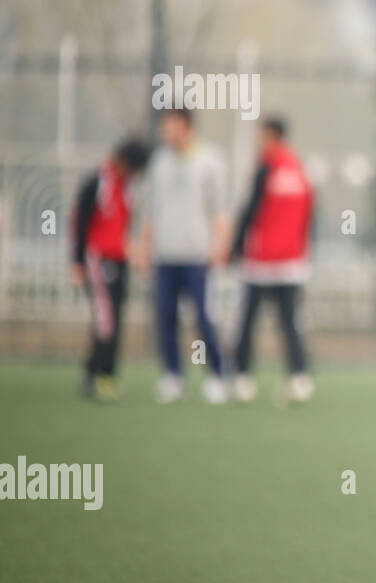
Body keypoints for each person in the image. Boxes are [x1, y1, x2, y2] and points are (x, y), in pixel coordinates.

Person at [136, 105, 232, 404]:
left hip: (197, 255)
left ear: (187, 125)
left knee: (203, 317)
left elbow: (221, 211)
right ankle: (173, 376)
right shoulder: (159, 163)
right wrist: (144, 248)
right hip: (166, 255)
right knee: (165, 315)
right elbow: (149, 212)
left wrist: (220, 246)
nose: (166, 132)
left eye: (171, 126)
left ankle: (218, 375)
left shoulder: (209, 161)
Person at [228, 118, 315, 404]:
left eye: (262, 136)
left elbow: (250, 209)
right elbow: (310, 215)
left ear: (272, 137)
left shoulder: (267, 167)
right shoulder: (300, 169)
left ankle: (242, 379)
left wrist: (235, 248)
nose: (258, 142)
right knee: (290, 323)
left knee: (247, 321)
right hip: (292, 262)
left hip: (262, 261)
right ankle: (300, 378)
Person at [70, 138, 152, 401]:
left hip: (119, 261)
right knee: (107, 320)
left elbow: (124, 227)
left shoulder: (127, 188)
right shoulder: (97, 183)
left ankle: (93, 371)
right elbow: (80, 223)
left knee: (112, 317)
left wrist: (134, 253)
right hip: (98, 260)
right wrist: (78, 261)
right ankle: (103, 376)